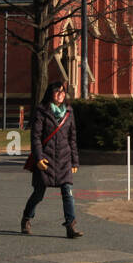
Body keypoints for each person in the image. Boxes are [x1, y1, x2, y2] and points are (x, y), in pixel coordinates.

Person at [21, 80, 83, 238]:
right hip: (46, 160)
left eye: (63, 92)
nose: (60, 95)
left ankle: (71, 225)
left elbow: (72, 138)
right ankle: (27, 218)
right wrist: (38, 158)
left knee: (68, 193)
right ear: (50, 93)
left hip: (64, 160)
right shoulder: (41, 111)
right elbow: (35, 137)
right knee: (39, 193)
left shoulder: (69, 111)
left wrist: (75, 161)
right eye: (57, 91)